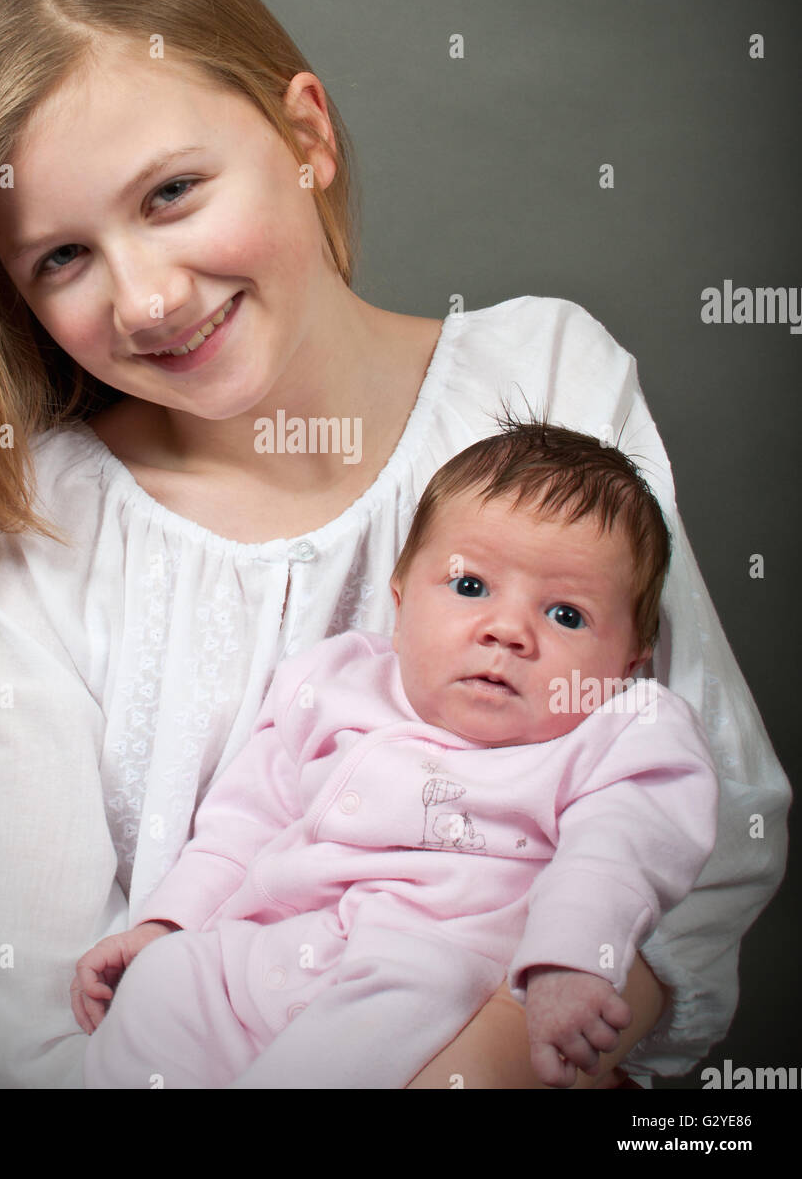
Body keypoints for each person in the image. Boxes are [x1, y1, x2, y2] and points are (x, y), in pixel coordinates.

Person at [0, 0, 789, 1089]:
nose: (143, 298)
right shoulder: (41, 527)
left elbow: (706, 823)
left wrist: (480, 1069)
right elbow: (13, 1029)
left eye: (173, 192)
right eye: (61, 258)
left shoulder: (542, 380)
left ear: (305, 136)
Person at [73, 421, 720, 1089]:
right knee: (168, 982)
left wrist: (569, 963)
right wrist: (166, 921)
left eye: (566, 615)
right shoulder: (336, 681)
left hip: (436, 969)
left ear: (631, 657)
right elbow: (243, 820)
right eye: (471, 587)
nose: (507, 631)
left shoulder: (620, 730)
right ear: (401, 598)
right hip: (273, 952)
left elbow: (617, 856)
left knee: (406, 990)